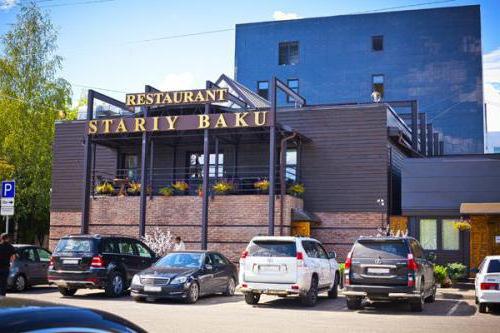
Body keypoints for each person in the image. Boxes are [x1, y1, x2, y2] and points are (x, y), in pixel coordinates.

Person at [0, 233, 16, 298]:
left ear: (1, 238)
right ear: (7, 239)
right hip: (5, 268)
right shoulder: (10, 247)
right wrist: (11, 263)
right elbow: (13, 257)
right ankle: (2, 297)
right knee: (3, 283)